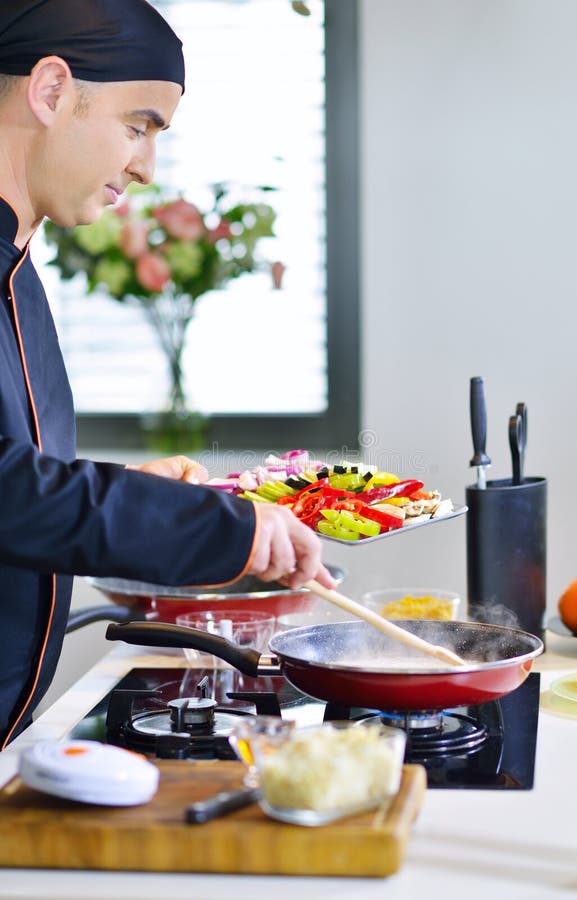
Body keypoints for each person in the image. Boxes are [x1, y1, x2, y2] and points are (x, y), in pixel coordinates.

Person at [0, 0, 334, 749]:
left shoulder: (20, 271)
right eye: (137, 126)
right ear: (51, 90)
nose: (146, 167)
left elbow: (28, 485)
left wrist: (144, 494)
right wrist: (218, 528)